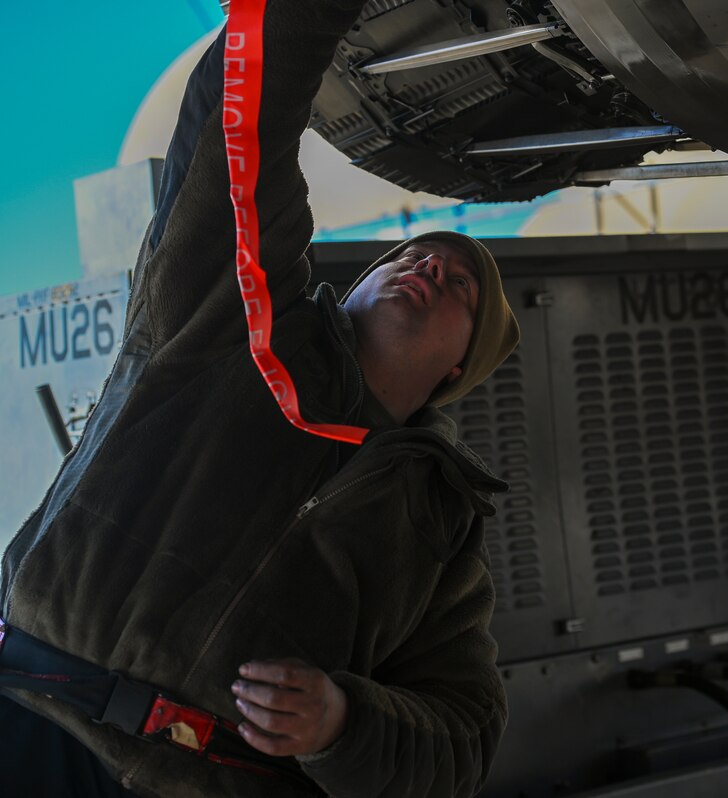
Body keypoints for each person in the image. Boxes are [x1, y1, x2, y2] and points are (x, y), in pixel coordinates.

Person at [0, 0, 519, 795]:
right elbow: (236, 138)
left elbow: (463, 740)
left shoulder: (440, 531)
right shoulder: (229, 320)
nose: (427, 269)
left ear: (459, 369)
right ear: (360, 285)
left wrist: (346, 722)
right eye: (413, 255)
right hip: (32, 724)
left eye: (459, 288)